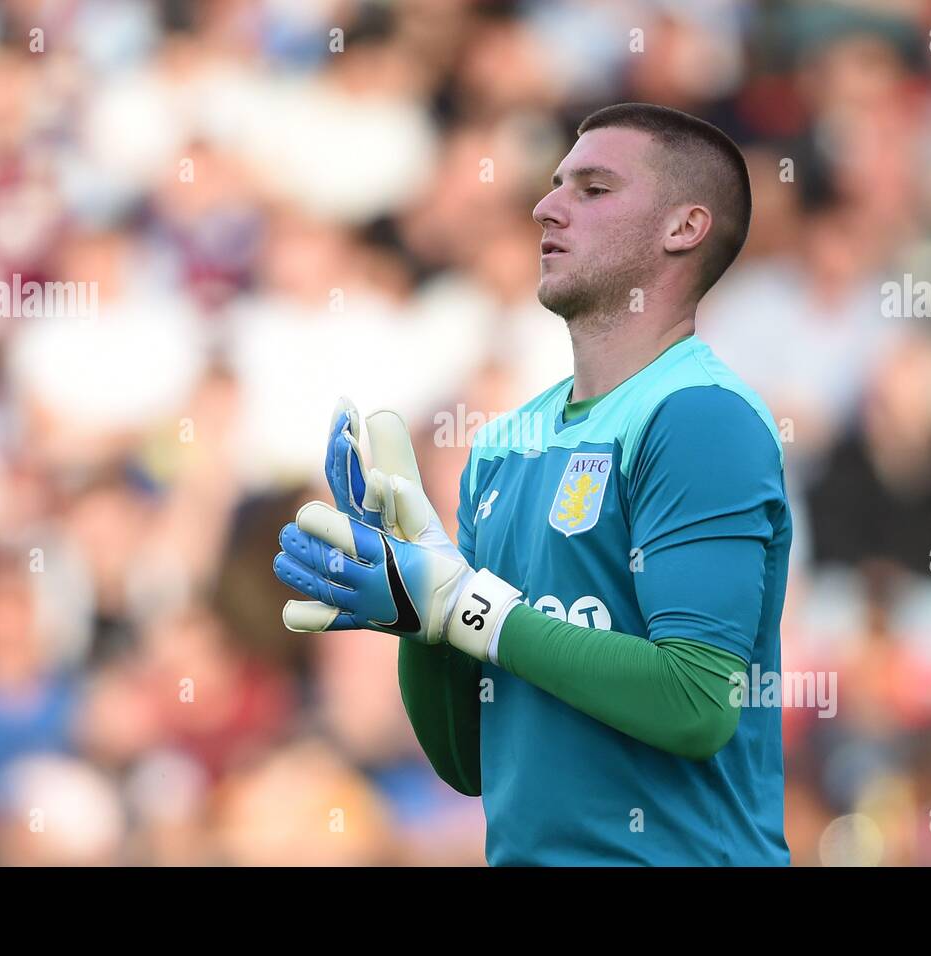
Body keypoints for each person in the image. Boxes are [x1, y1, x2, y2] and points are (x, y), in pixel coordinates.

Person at [275, 103, 791, 865]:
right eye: (555, 185)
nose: (545, 206)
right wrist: (421, 617)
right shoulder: (504, 446)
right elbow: (470, 763)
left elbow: (697, 703)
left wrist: (467, 608)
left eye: (593, 188)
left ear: (683, 227)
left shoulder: (698, 419)